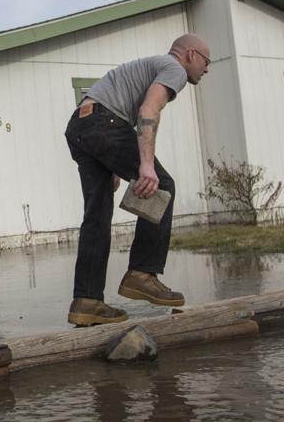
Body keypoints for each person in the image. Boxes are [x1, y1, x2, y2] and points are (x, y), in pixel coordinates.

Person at [63, 34, 211, 327]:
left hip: (81, 124)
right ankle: (142, 274)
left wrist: (113, 165)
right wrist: (145, 165)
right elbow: (148, 110)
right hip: (104, 123)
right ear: (191, 54)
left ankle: (87, 301)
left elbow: (105, 107)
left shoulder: (149, 65)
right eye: (207, 61)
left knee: (97, 215)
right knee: (162, 185)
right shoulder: (174, 69)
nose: (207, 69)